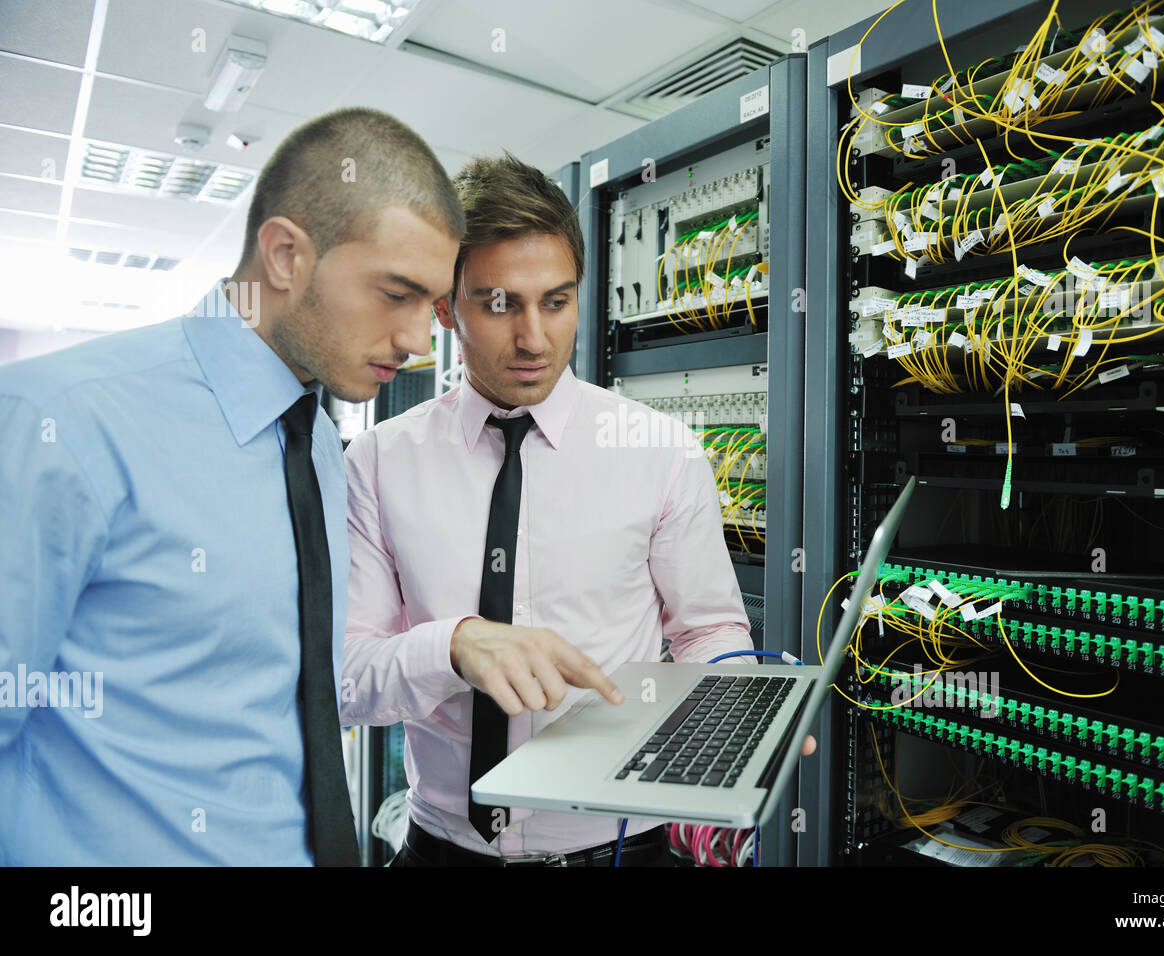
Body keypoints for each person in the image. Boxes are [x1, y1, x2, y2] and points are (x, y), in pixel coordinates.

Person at [0, 108, 463, 865]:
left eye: (432, 306)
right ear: (285, 256)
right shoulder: (55, 424)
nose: (418, 341)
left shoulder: (317, 440)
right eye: (396, 293)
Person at [341, 153, 780, 867]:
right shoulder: (378, 462)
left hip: (620, 849)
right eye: (499, 304)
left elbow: (707, 631)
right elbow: (346, 681)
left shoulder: (661, 451)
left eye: (555, 302)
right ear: (446, 307)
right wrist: (452, 646)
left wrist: (738, 719)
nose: (534, 339)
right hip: (442, 849)